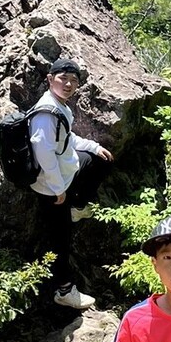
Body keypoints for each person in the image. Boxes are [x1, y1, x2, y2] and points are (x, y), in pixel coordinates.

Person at [30, 57, 113, 311]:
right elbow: (43, 152)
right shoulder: (46, 113)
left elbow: (67, 139)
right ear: (50, 79)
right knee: (60, 240)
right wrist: (59, 190)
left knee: (101, 161)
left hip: (66, 175)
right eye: (62, 78)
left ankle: (76, 207)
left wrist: (94, 146)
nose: (68, 84)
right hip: (50, 186)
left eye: (73, 80)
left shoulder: (60, 106)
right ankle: (64, 290)